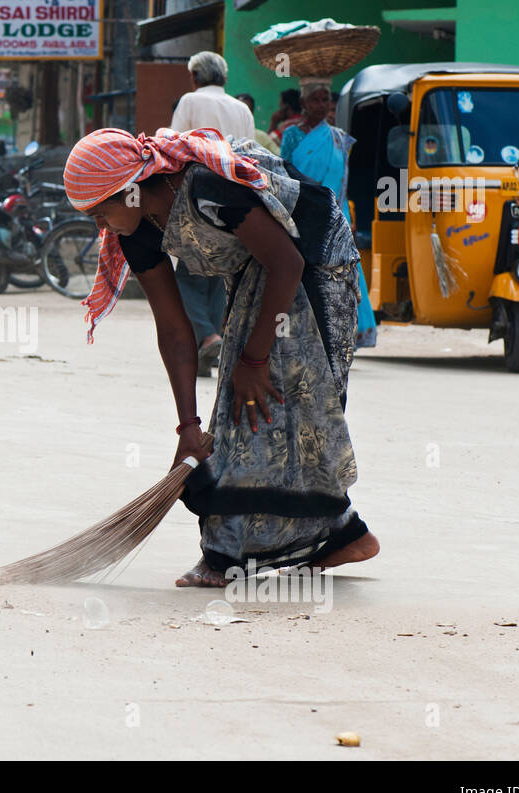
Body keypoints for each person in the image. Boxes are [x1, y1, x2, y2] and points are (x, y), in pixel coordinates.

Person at [65, 126, 377, 586]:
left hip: (312, 263)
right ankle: (342, 536)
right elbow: (174, 331)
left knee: (284, 406)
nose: (100, 227)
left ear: (130, 191)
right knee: (244, 411)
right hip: (260, 271)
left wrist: (253, 362)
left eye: (100, 211)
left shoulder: (208, 187)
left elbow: (287, 262)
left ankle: (229, 556)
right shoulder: (135, 233)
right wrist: (187, 428)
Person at [169, 51, 254, 378]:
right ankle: (208, 347)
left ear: (194, 77)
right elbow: (249, 155)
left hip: (197, 196)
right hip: (237, 200)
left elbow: (175, 148)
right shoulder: (241, 109)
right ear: (225, 78)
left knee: (187, 276)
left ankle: (207, 335)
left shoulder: (190, 102)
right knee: (219, 274)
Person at [279, 79, 377, 347]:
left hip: (334, 213)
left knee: (341, 272)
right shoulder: (291, 135)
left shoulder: (338, 138)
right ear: (303, 104)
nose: (321, 105)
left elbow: (342, 181)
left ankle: (344, 334)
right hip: (302, 212)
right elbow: (285, 171)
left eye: (325, 100)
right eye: (315, 100)